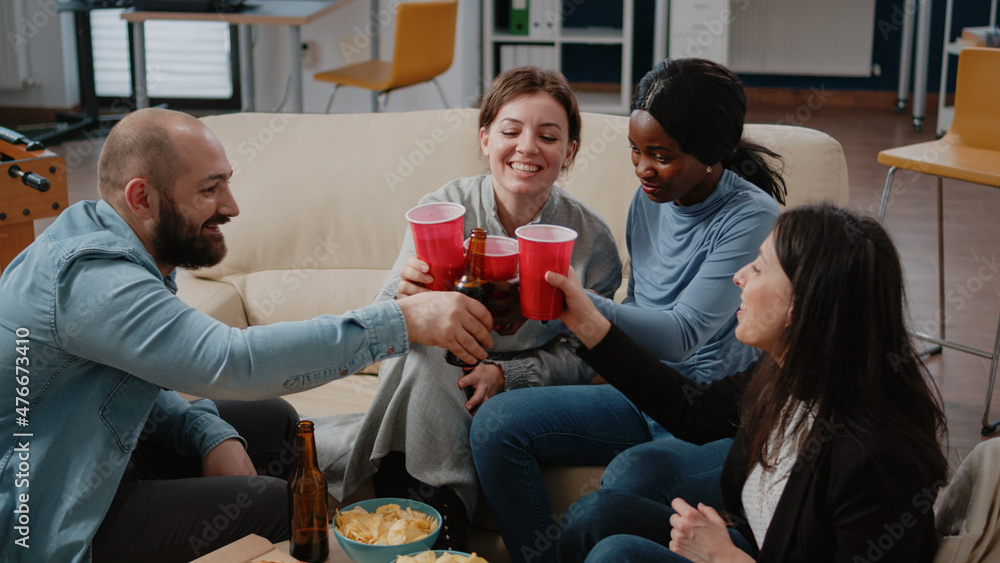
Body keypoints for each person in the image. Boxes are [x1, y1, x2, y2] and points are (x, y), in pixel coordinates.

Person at [0, 108, 495, 563]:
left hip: (103, 456)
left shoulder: (115, 244)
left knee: (272, 421)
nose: (232, 207)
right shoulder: (89, 279)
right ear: (142, 198)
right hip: (48, 515)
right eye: (209, 189)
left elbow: (132, 380)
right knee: (276, 504)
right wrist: (401, 321)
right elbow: (233, 362)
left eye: (227, 184)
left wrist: (210, 433)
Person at [470, 57, 786, 563]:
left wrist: (580, 305)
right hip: (644, 393)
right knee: (496, 425)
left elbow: (683, 335)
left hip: (712, 417)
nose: (643, 169)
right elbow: (639, 306)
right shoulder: (650, 198)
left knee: (631, 477)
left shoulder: (753, 218)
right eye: (636, 151)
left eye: (660, 155)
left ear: (710, 153)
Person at [313, 67, 622, 550]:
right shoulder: (445, 209)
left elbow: (585, 355)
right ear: (484, 139)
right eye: (510, 130)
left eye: (548, 136)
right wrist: (406, 300)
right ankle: (441, 530)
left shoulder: (593, 242)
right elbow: (379, 318)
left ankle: (415, 534)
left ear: (570, 151)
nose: (527, 147)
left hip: (516, 396)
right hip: (434, 374)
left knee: (425, 367)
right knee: (427, 356)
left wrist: (507, 375)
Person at [548, 203, 948, 562]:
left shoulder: (876, 458)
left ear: (801, 305)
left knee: (618, 556)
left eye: (758, 267)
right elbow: (691, 411)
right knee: (593, 515)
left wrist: (724, 558)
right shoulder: (787, 374)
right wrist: (587, 322)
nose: (739, 277)